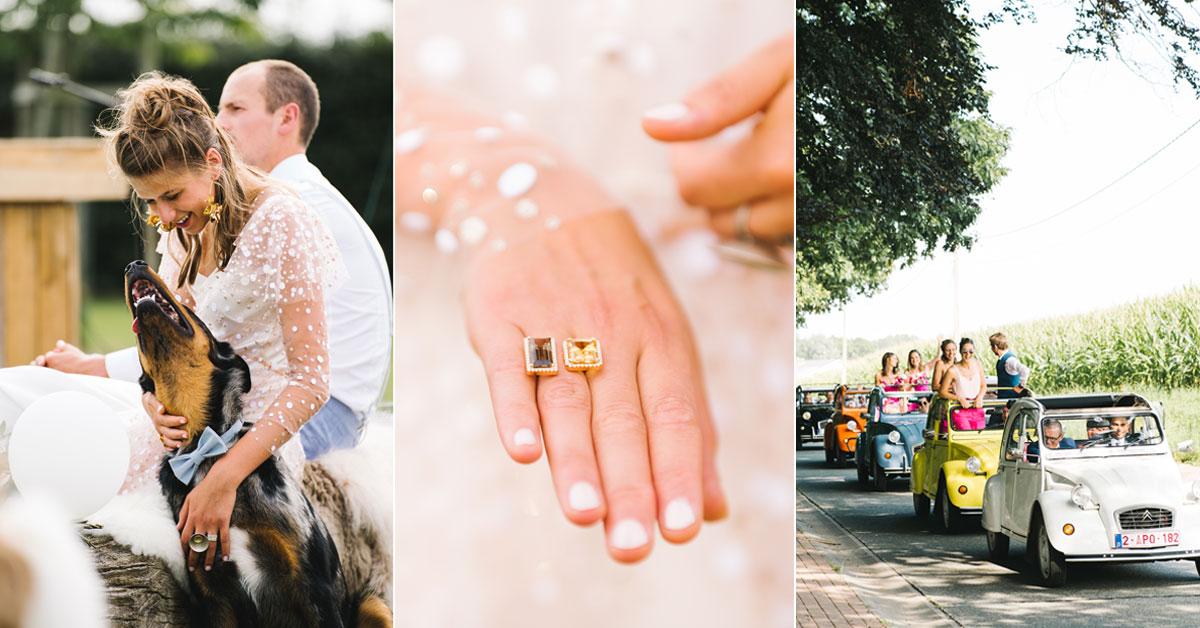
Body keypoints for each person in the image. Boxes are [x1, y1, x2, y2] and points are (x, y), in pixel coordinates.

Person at [3, 72, 342, 569]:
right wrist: (151, 403)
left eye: (173, 196)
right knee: (48, 479)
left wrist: (224, 478)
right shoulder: (181, 229)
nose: (164, 216)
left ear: (213, 161)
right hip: (176, 428)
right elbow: (158, 350)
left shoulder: (281, 221)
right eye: (149, 203)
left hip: (253, 442)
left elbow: (312, 381)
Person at [34, 60, 391, 461]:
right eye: (219, 109)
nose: (221, 121)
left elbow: (274, 361)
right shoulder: (202, 212)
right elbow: (188, 335)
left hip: (314, 414)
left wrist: (97, 366)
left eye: (236, 109)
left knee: (67, 414)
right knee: (59, 422)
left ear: (286, 118)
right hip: (225, 396)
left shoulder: (289, 206)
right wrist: (153, 401)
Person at [937, 338, 986, 430]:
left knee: (979, 438)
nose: (968, 355)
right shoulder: (952, 370)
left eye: (971, 352)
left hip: (977, 407)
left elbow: (983, 385)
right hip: (961, 409)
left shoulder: (978, 365)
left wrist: (980, 397)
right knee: (966, 437)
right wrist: (959, 398)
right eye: (965, 352)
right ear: (960, 352)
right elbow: (942, 392)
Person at [989, 332, 1030, 399]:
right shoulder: (1003, 359)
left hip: (1010, 400)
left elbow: (1025, 370)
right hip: (1004, 398)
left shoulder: (1009, 360)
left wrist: (1020, 386)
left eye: (991, 346)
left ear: (995, 347)